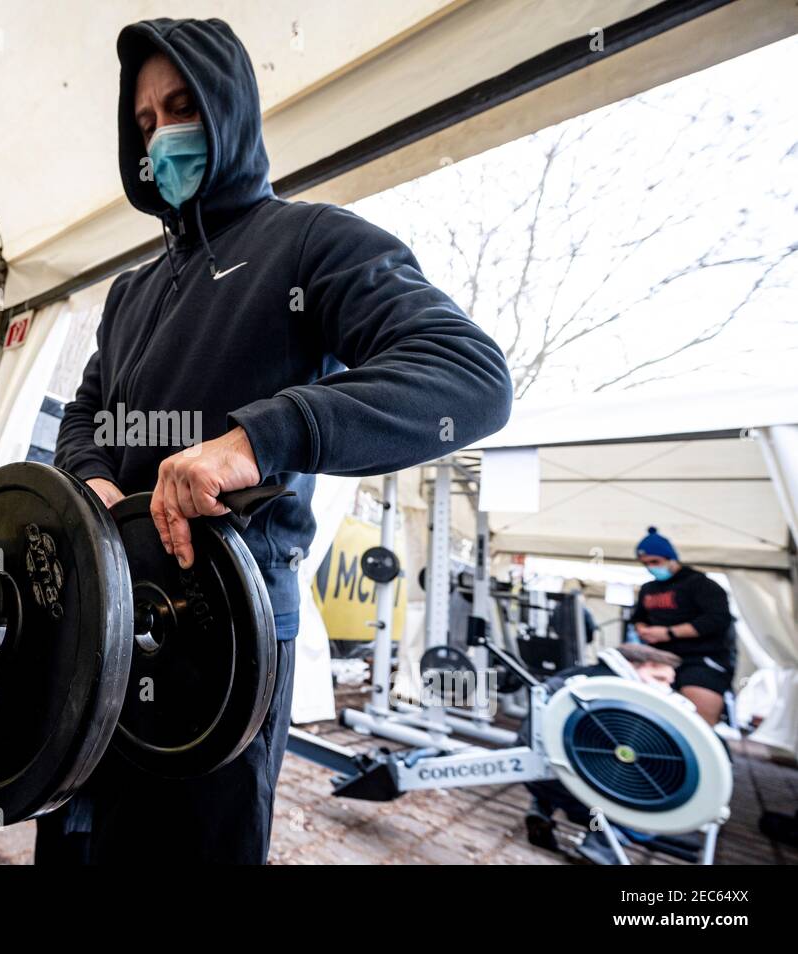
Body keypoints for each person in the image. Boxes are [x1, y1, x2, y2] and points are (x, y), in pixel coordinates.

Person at [43, 17, 512, 864]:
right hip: (104, 617)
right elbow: (85, 414)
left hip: (227, 640)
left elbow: (469, 374)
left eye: (181, 108)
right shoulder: (130, 293)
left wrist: (257, 438)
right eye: (145, 124)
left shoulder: (310, 242)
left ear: (229, 110)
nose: (162, 138)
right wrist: (93, 484)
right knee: (78, 842)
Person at [522, 643, 682, 865]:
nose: (666, 689)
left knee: (557, 755)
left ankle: (540, 810)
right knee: (656, 802)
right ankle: (600, 847)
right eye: (659, 679)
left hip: (532, 772)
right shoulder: (624, 698)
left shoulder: (578, 675)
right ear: (637, 665)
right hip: (585, 789)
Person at [631, 526, 736, 724]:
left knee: (697, 721)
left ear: (671, 558)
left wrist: (669, 633)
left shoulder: (701, 584)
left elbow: (717, 619)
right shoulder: (648, 588)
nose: (651, 567)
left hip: (700, 660)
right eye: (646, 563)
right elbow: (638, 617)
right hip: (658, 658)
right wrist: (642, 629)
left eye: (655, 561)